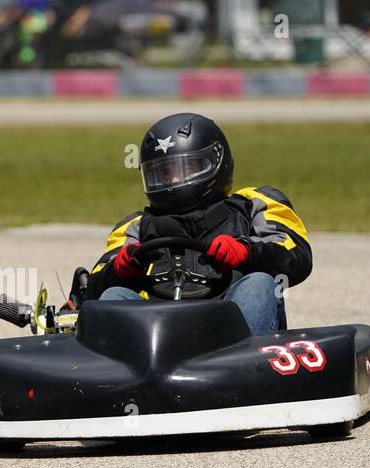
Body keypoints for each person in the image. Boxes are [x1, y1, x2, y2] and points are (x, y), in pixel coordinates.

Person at [84, 112, 311, 336]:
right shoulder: (136, 226)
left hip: (228, 327)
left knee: (259, 284)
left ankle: (245, 366)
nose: (173, 181)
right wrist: (118, 270)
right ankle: (124, 372)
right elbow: (91, 291)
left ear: (216, 162)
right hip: (155, 334)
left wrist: (247, 252)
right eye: (163, 173)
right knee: (114, 295)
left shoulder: (253, 205)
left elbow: (298, 257)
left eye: (184, 169)